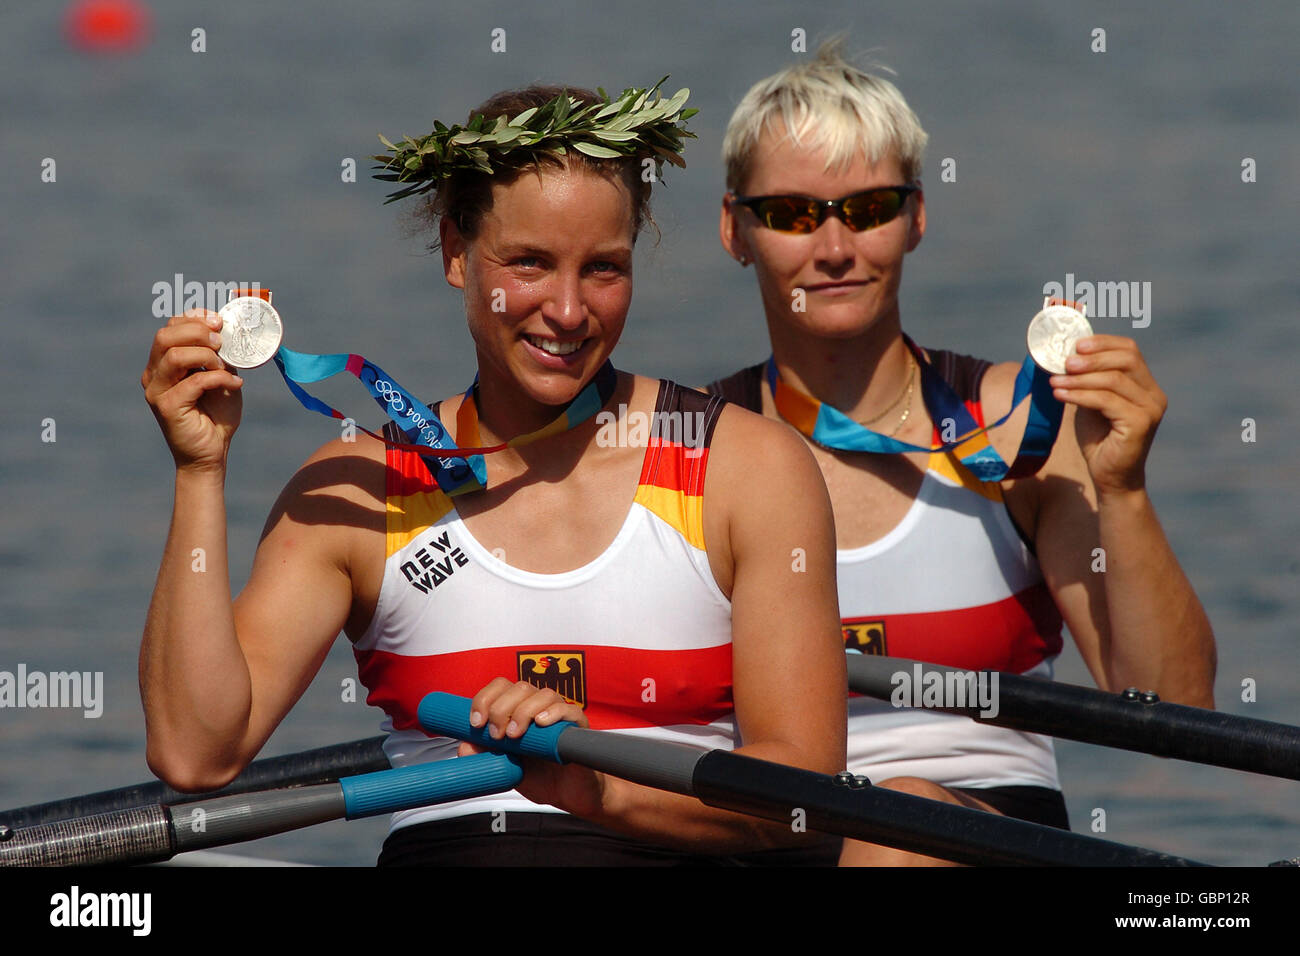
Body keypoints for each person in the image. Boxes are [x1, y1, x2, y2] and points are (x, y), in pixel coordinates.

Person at [139, 83, 846, 866]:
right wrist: (199, 472)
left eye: (604, 269)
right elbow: (195, 753)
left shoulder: (743, 468)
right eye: (531, 264)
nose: (570, 311)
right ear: (455, 253)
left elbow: (805, 805)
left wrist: (598, 790)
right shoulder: (360, 489)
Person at [707, 40, 1216, 866]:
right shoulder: (694, 445)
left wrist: (1122, 490)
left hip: (993, 838)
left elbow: (1177, 709)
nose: (835, 248)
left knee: (897, 824)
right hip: (776, 837)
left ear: (916, 216)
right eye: (796, 214)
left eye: (868, 208)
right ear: (736, 229)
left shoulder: (1020, 426)